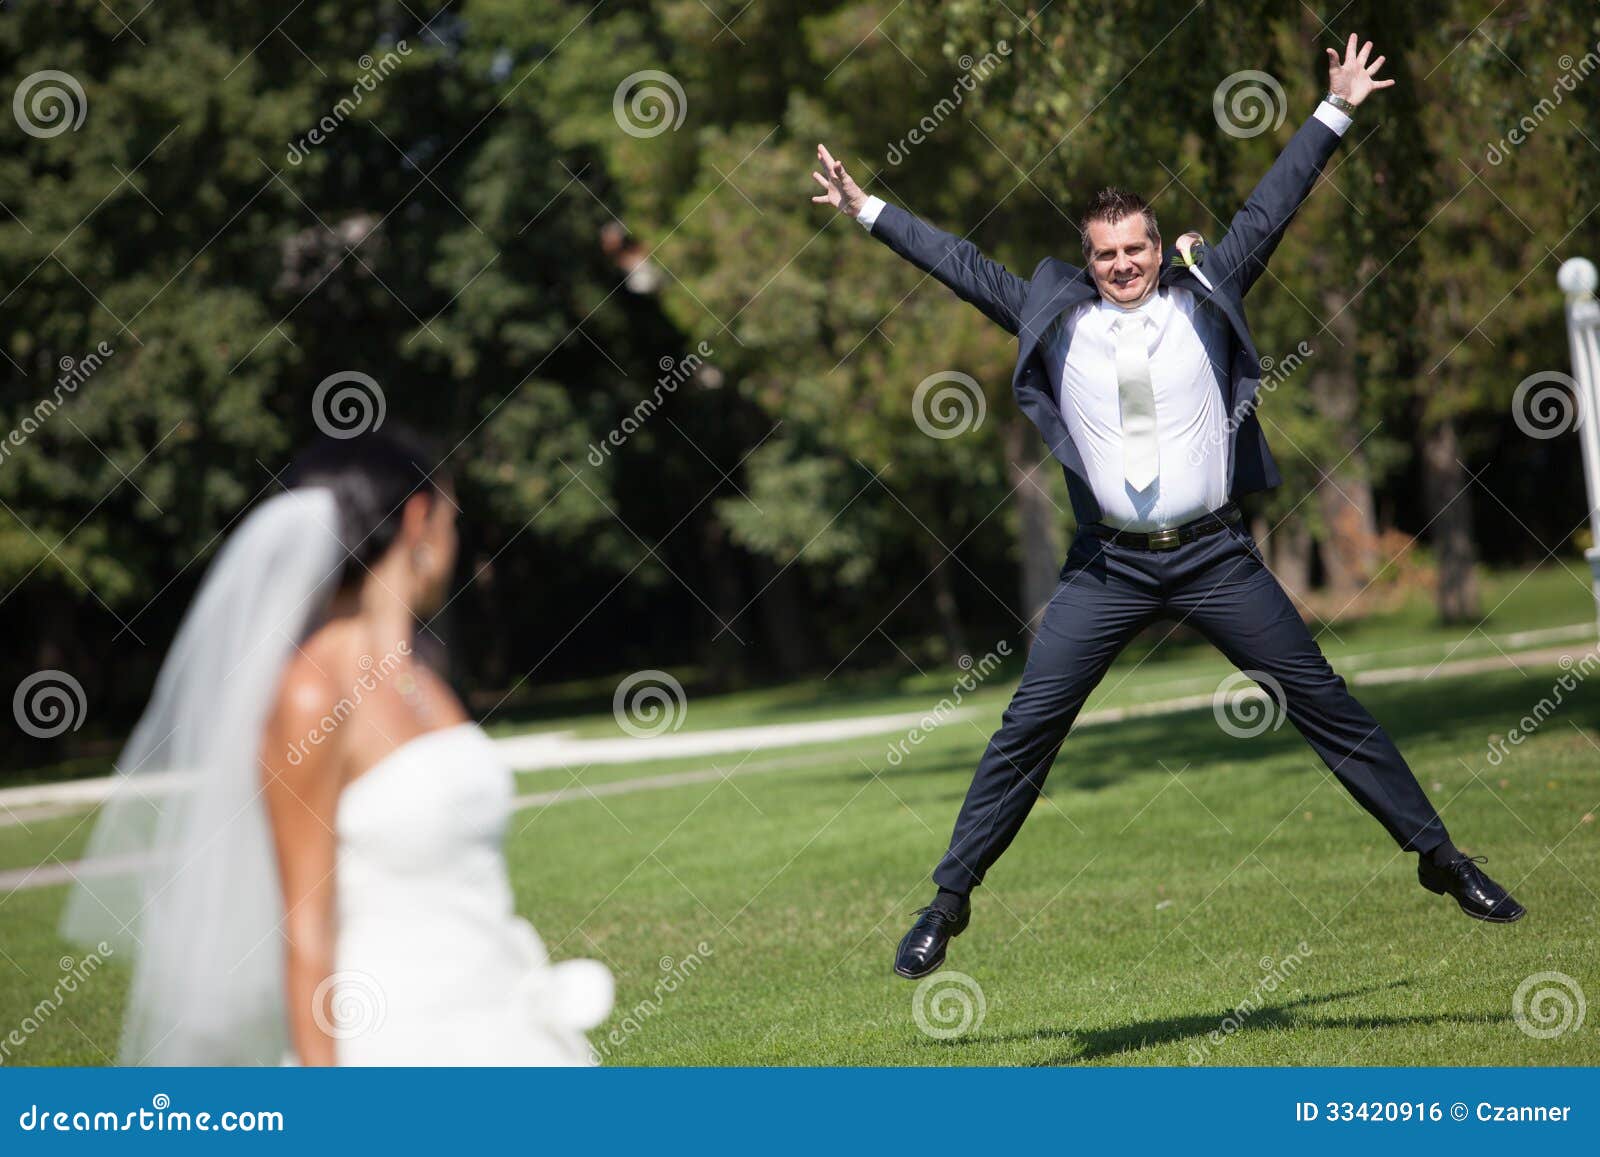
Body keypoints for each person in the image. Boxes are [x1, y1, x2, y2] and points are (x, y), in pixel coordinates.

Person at [811, 34, 1524, 981]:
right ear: (1087, 258)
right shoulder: (1055, 318)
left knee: (1325, 703)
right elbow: (963, 263)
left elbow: (1271, 209)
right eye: (1105, 254)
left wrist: (1336, 109)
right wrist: (867, 209)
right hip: (1109, 564)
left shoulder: (1204, 293)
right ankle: (945, 904)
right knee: (1026, 729)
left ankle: (1444, 860)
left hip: (1215, 557)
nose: (1121, 265)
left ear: (1158, 246)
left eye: (1136, 248)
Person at [60, 428, 612, 1063]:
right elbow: (304, 930)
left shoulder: (425, 683)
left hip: (502, 1026)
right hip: (396, 1042)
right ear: (419, 518)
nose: (455, 542)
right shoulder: (312, 697)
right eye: (452, 518)